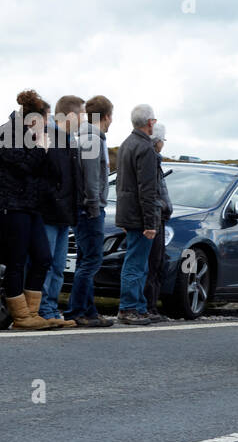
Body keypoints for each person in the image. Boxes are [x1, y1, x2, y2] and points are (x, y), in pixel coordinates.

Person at [0, 91, 58, 330]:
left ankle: (32, 313)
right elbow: (23, 168)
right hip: (10, 205)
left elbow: (44, 172)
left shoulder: (33, 136)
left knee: (43, 257)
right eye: (46, 118)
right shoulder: (6, 133)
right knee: (16, 260)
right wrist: (40, 147)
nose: (49, 123)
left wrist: (44, 148)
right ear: (34, 119)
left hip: (31, 206)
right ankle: (20, 317)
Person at [36, 95, 85, 328]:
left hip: (64, 214)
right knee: (46, 264)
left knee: (57, 266)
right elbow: (44, 176)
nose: (85, 118)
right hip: (49, 212)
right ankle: (43, 309)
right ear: (72, 116)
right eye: (83, 114)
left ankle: (51, 309)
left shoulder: (70, 140)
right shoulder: (48, 137)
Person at [70, 95, 115, 326]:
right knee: (91, 261)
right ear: (106, 116)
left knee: (85, 260)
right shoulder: (91, 139)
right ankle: (78, 311)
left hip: (85, 208)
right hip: (89, 210)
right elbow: (91, 177)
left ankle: (88, 312)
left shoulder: (89, 137)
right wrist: (94, 206)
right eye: (111, 116)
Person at [115, 104, 160, 325]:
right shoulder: (146, 148)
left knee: (138, 263)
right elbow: (147, 189)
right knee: (135, 263)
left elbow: (122, 183)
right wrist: (150, 222)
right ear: (150, 122)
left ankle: (139, 307)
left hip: (128, 213)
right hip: (140, 216)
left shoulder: (125, 145)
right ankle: (128, 308)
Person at [143, 123, 173, 321]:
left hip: (157, 218)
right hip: (155, 220)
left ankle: (150, 306)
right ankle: (149, 307)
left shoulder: (156, 160)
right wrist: (160, 210)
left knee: (155, 264)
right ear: (158, 141)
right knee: (152, 264)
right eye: (162, 140)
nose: (163, 144)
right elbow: (151, 194)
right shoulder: (152, 160)